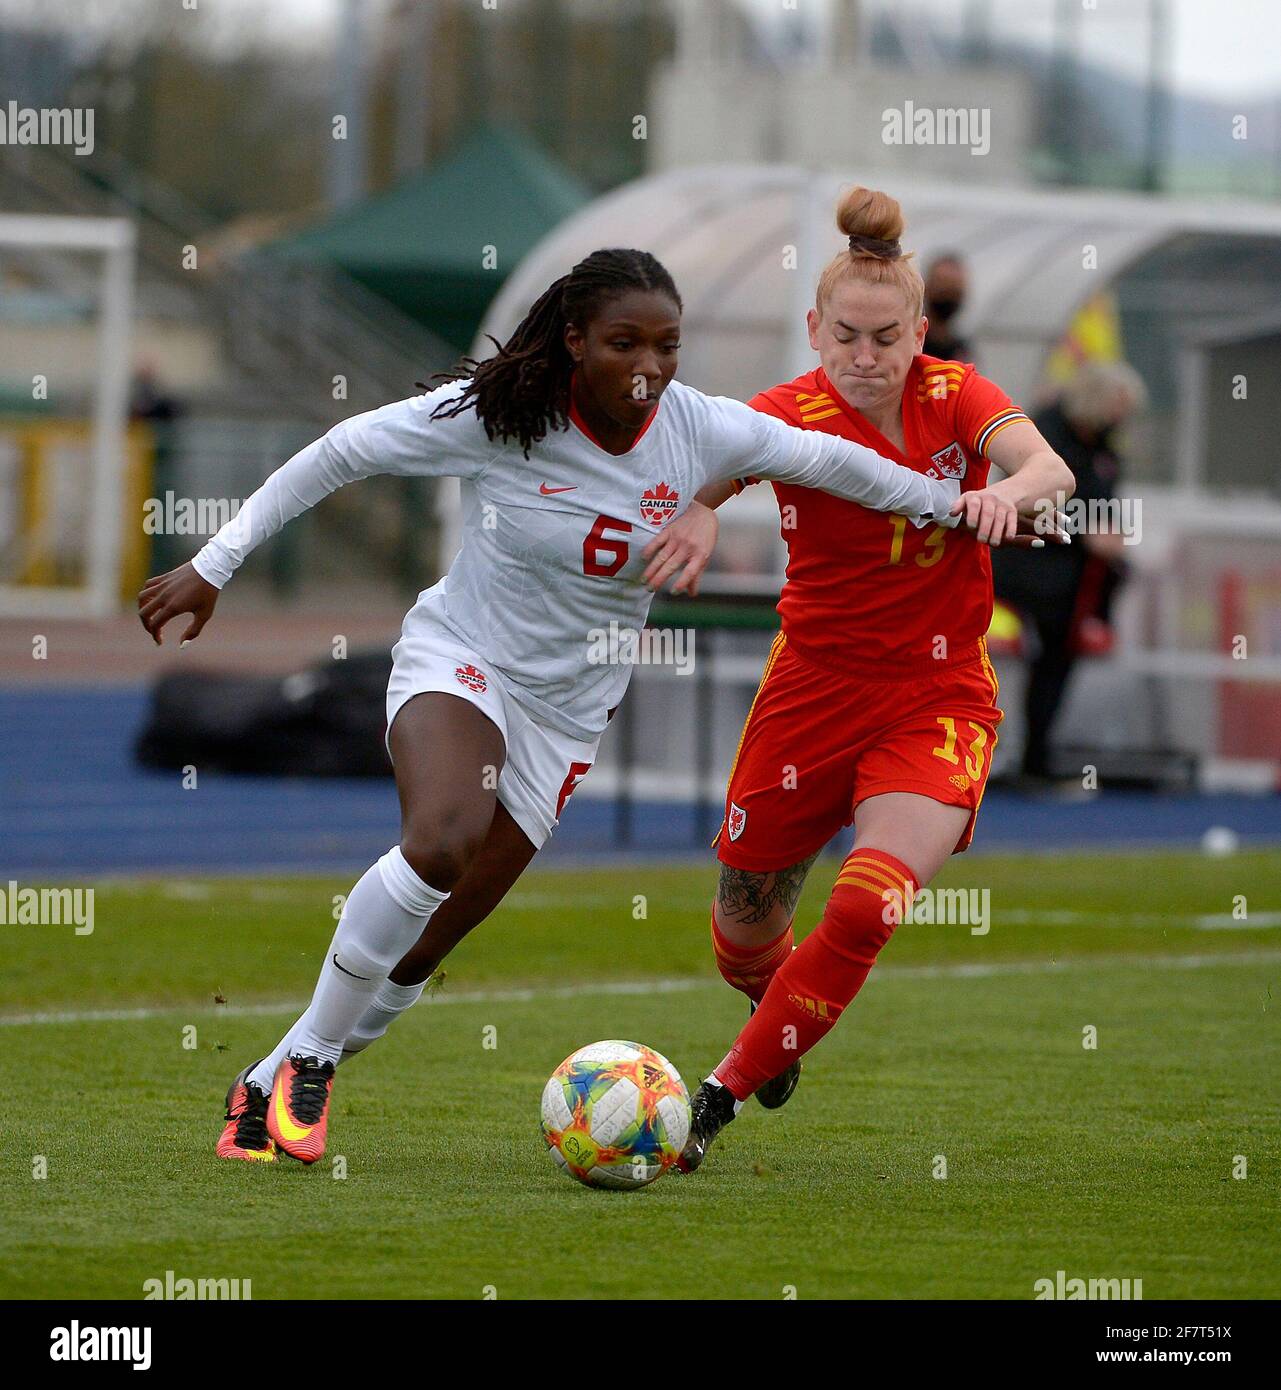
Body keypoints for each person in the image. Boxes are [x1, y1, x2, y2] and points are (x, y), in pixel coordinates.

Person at [137, 247, 1010, 1166]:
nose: (648, 367)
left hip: (563, 717)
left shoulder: (702, 429)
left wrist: (971, 508)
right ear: (573, 342)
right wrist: (211, 564)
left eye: (666, 346)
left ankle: (264, 1084)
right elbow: (338, 452)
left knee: (421, 951)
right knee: (440, 841)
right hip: (462, 661)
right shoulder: (498, 418)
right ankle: (312, 1059)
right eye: (623, 343)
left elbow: (850, 469)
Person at [652, 188, 1074, 1171]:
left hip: (936, 698)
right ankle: (771, 1005)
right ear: (815, 328)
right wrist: (704, 512)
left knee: (866, 899)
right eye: (847, 334)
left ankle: (717, 1097)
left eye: (889, 336)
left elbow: (1046, 469)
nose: (868, 355)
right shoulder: (785, 412)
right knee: (740, 934)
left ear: (920, 331)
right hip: (810, 688)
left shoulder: (953, 394)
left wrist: (1007, 492)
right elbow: (711, 467)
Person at [991, 359, 1146, 790]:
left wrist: (1109, 534)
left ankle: (1035, 756)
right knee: (1046, 648)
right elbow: (1025, 497)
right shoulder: (1045, 433)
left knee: (1058, 657)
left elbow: (1106, 507)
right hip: (1027, 566)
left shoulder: (1104, 447)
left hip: (1069, 578)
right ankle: (1018, 757)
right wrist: (1085, 530)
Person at [921, 252, 972, 363]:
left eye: (955, 289)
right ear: (926, 288)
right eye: (943, 286)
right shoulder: (911, 344)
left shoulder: (961, 350)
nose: (949, 295)